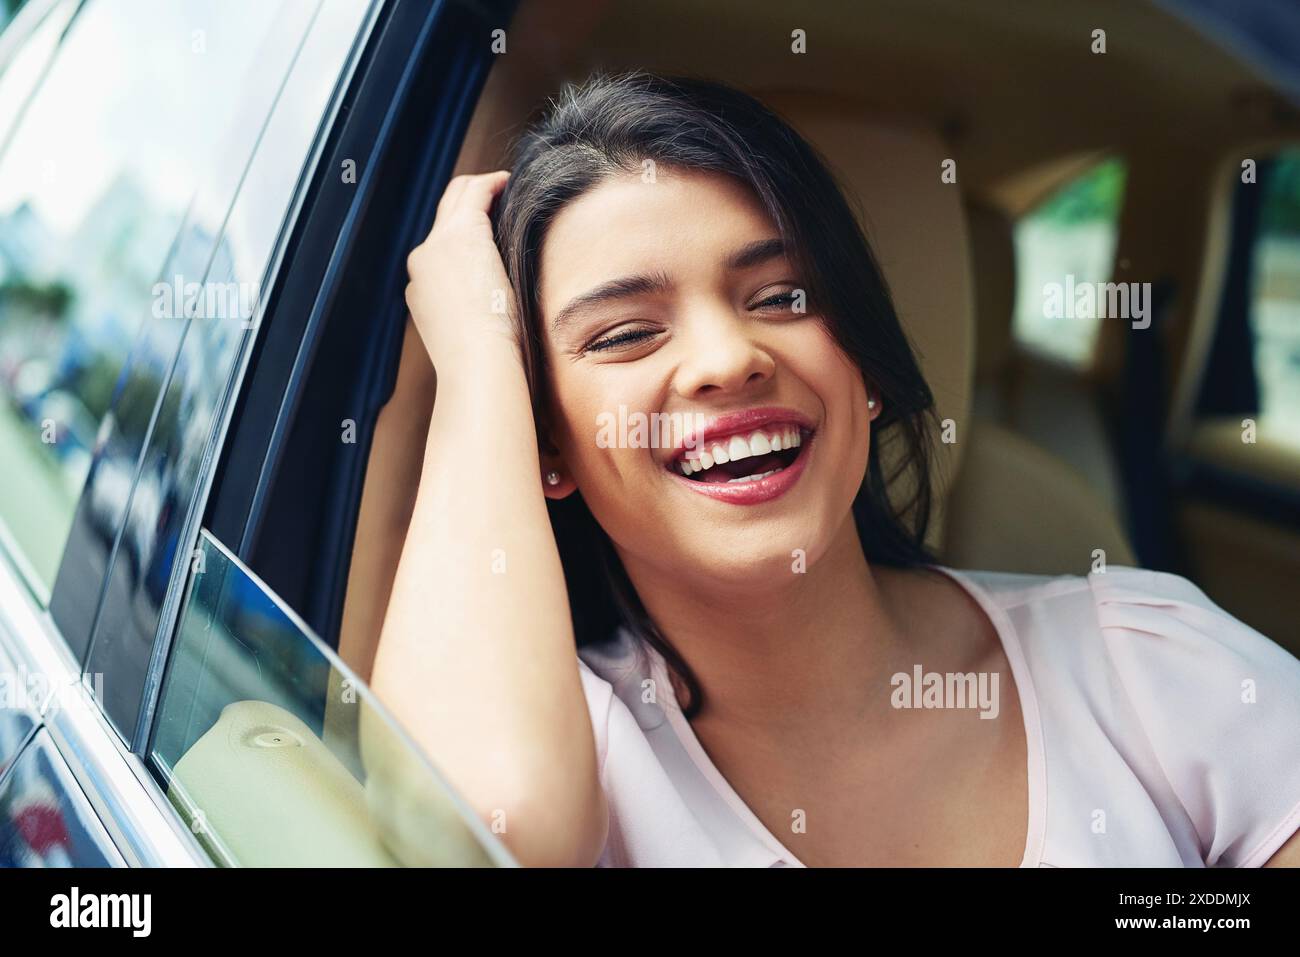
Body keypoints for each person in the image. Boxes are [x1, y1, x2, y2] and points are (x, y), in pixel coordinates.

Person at [360, 71, 1300, 867]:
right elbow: (483, 830)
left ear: (864, 371)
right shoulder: (584, 748)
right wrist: (480, 361)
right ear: (547, 447)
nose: (729, 357)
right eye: (627, 332)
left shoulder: (1141, 660)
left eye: (781, 295)